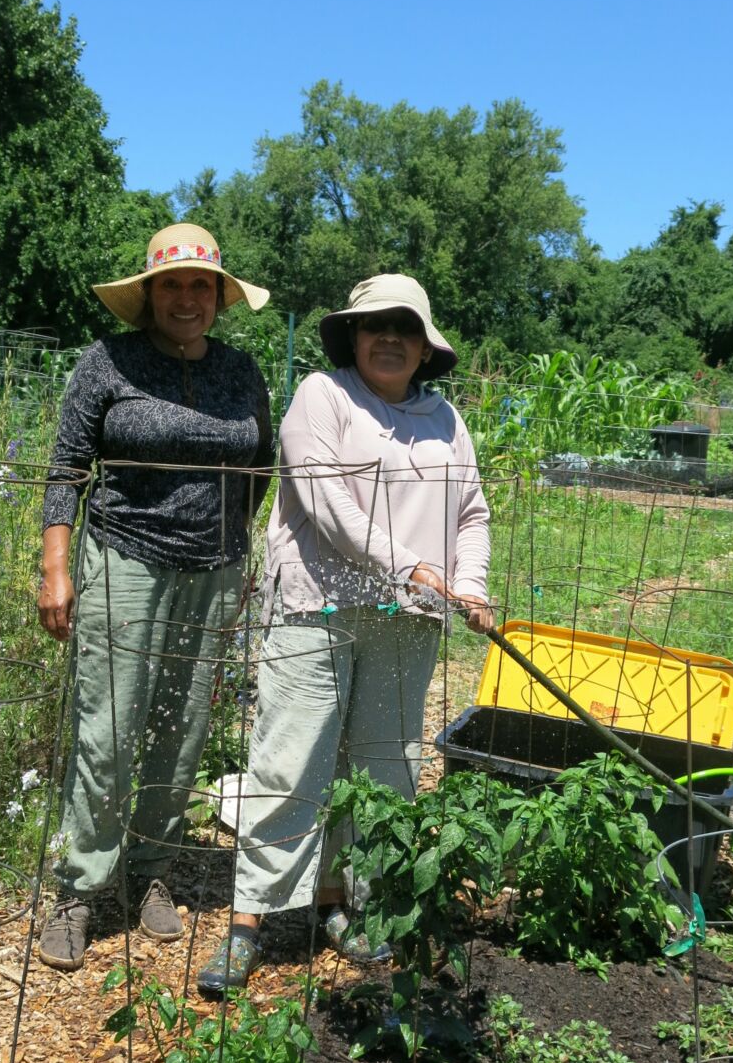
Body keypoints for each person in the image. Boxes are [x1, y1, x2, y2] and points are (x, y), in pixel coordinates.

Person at [197, 274, 494, 992]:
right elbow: (323, 497)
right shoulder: (321, 398)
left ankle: (345, 905)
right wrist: (409, 566)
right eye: (375, 327)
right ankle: (250, 921)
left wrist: (471, 585)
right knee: (290, 761)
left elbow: (473, 514)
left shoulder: (446, 420)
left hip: (408, 621)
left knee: (383, 768)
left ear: (425, 349)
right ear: (353, 339)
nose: (390, 338)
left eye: (406, 328)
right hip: (318, 607)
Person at [38, 222, 273, 971]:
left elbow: (259, 467)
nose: (185, 297)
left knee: (182, 729)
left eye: (199, 285)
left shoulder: (243, 373)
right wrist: (56, 564)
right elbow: (67, 467)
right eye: (170, 284)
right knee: (108, 730)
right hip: (123, 560)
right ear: (147, 294)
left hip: (211, 573)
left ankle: (154, 873)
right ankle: (80, 888)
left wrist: (236, 553)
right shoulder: (107, 363)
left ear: (218, 297)